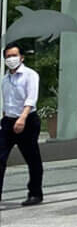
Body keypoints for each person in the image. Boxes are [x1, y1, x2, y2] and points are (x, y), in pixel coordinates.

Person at [1, 44, 44, 206]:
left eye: (14, 55)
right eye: (8, 56)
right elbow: (7, 101)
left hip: (27, 120)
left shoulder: (30, 75)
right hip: (8, 122)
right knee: (0, 157)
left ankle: (35, 193)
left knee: (32, 158)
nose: (11, 59)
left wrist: (22, 118)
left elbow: (31, 99)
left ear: (21, 57)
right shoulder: (5, 79)